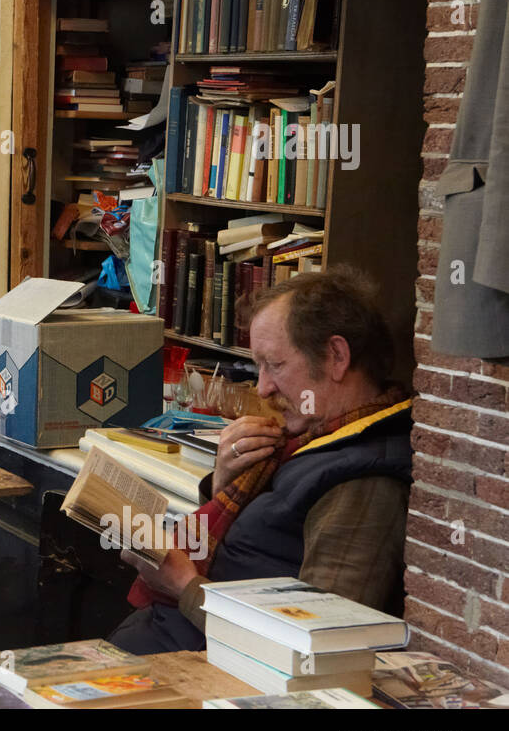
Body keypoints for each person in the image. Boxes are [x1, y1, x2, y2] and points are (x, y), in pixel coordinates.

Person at [107, 267, 414, 653]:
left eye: (276, 365)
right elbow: (249, 555)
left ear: (336, 356)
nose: (264, 388)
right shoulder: (312, 441)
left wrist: (183, 585)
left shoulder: (364, 482)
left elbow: (321, 643)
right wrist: (222, 484)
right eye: (258, 367)